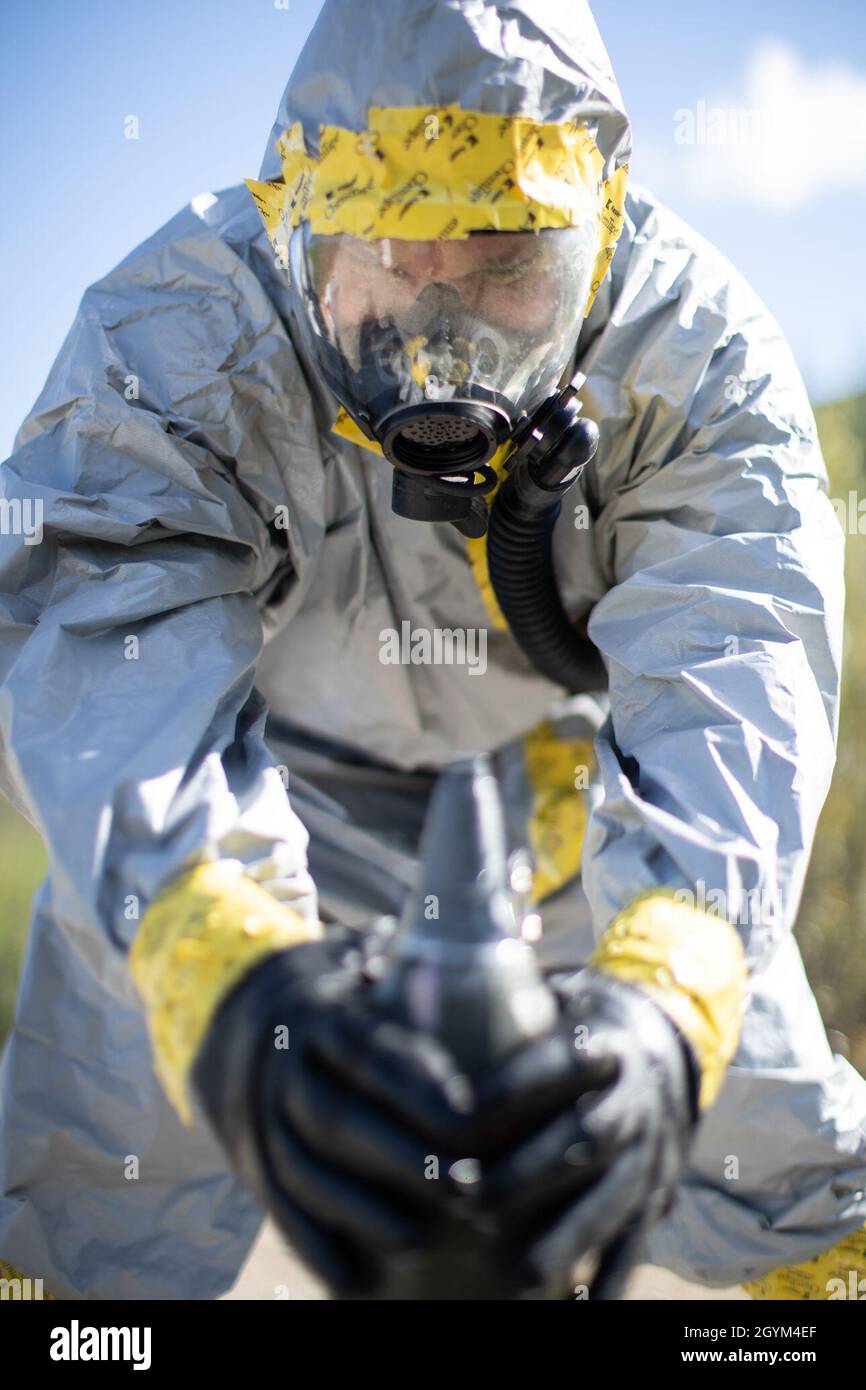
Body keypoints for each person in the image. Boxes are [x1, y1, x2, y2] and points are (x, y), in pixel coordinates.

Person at [0, 0, 864, 1302]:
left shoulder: (698, 356)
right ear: (299, 224)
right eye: (391, 252)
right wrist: (224, 981)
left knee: (747, 1099)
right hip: (270, 774)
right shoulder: (175, 327)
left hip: (564, 788)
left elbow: (733, 665)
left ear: (596, 242)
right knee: (122, 1056)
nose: (436, 325)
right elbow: (109, 654)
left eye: (504, 258)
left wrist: (663, 1005)